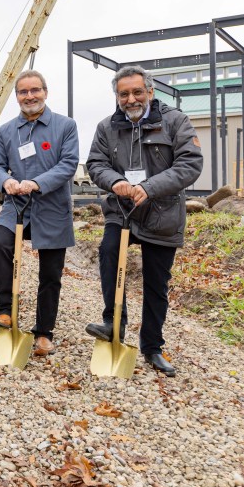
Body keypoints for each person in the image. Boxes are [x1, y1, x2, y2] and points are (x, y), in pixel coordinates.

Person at [86, 65, 203, 377]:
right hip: (122, 210)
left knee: (156, 284)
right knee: (110, 253)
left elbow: (190, 164)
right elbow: (95, 163)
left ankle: (152, 346)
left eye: (137, 92)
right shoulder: (106, 127)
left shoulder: (175, 121)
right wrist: (115, 182)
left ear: (150, 92)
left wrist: (148, 188)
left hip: (161, 213)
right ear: (117, 96)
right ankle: (114, 323)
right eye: (123, 94)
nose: (131, 99)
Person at [0, 70, 78, 357]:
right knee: (0, 244)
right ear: (17, 97)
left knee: (50, 273)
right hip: (16, 205)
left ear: (45, 92)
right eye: (23, 92)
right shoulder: (6, 131)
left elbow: (68, 164)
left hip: (51, 206)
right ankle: (5, 312)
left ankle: (43, 332)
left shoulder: (65, 126)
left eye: (35, 90)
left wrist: (38, 183)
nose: (30, 96)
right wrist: (6, 181)